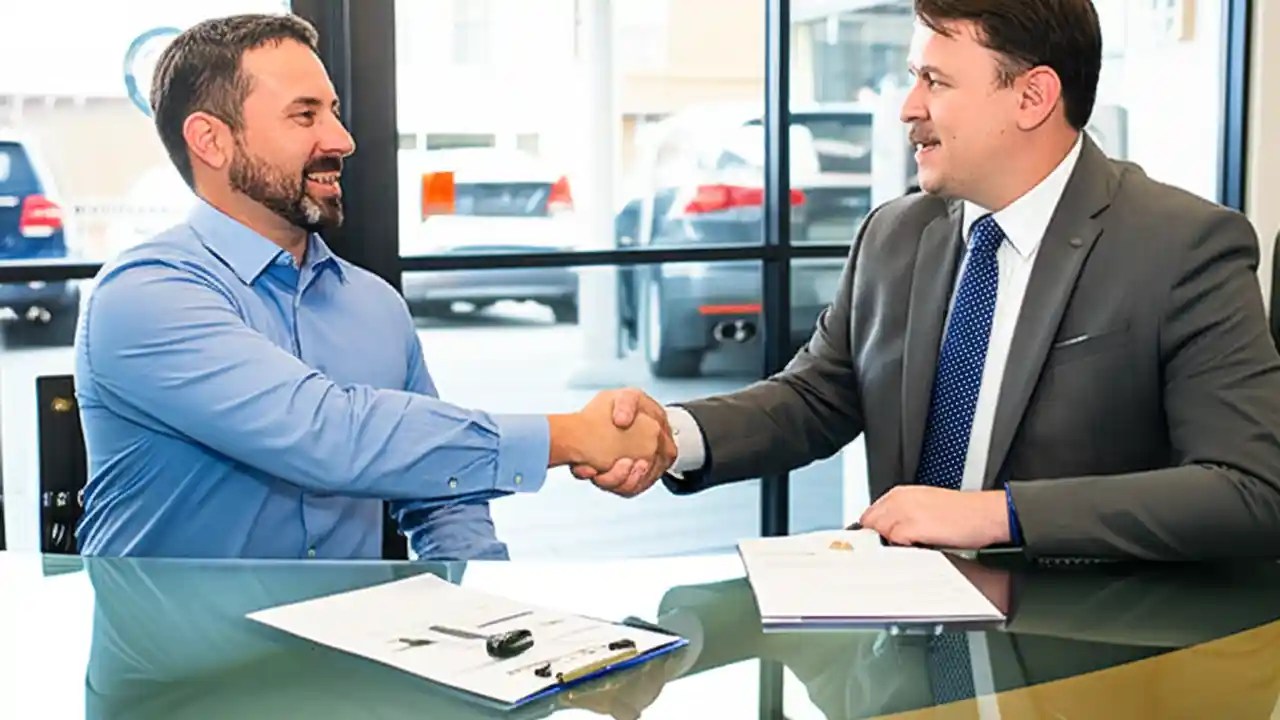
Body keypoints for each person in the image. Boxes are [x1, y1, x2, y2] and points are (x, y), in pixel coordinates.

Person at [582, 0, 1280, 560]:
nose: (906, 107)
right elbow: (816, 397)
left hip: (1091, 660)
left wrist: (998, 517)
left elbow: (1250, 491)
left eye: (935, 80)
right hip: (906, 648)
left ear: (1032, 96)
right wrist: (675, 434)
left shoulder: (1183, 247)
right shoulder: (895, 234)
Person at [73, 14, 675, 560]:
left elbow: (440, 498)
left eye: (333, 111)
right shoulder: (143, 296)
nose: (341, 139)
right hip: (183, 674)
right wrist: (570, 435)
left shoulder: (373, 304)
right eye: (305, 115)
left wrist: (492, 617)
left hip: (346, 661)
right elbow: (328, 434)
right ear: (211, 140)